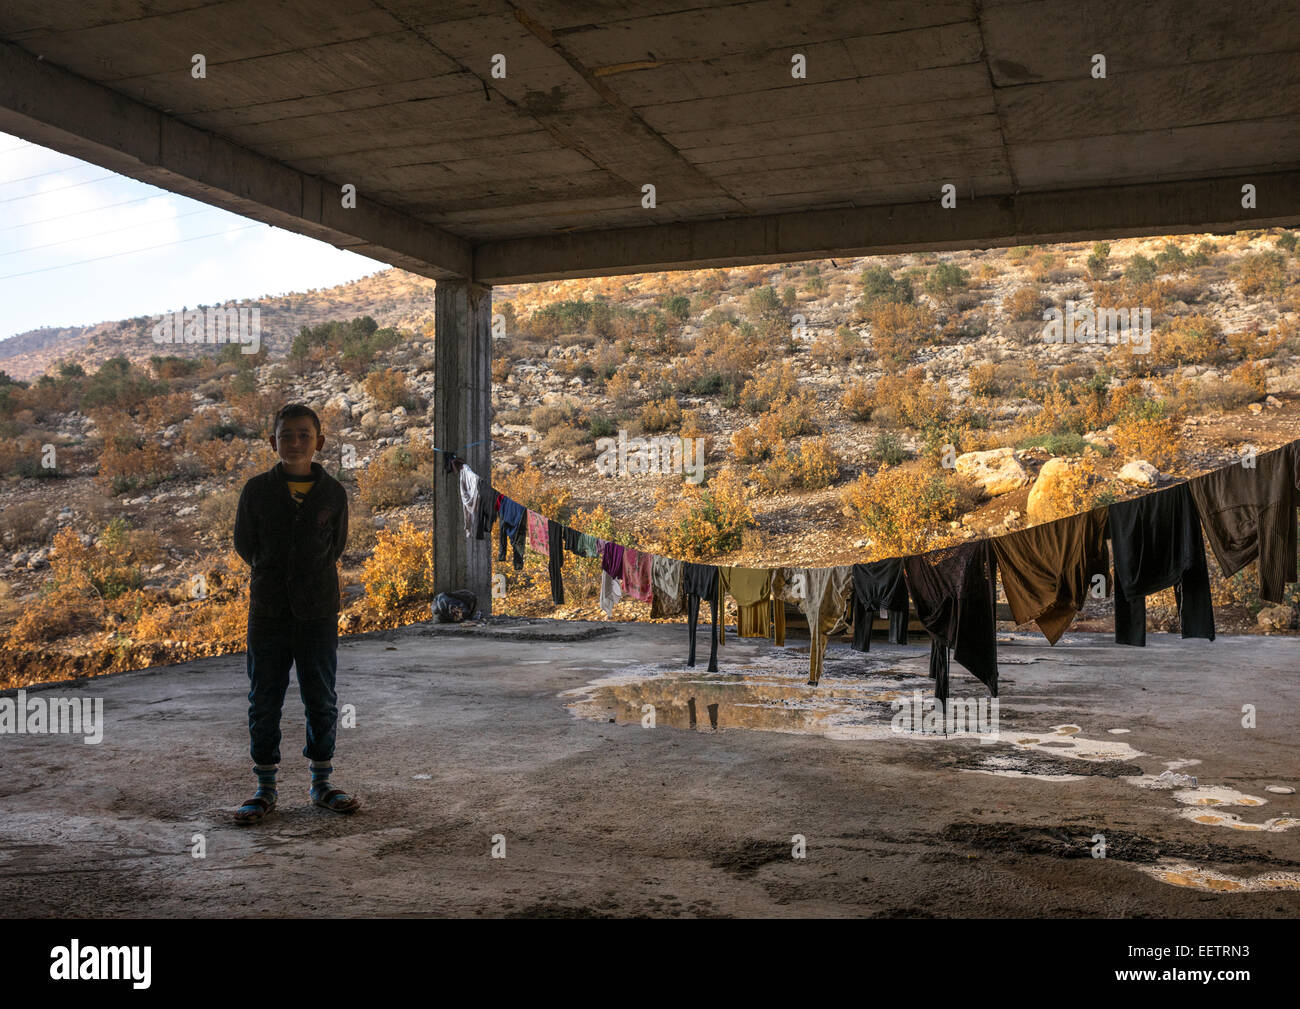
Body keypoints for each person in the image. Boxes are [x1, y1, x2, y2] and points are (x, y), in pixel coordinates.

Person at [231, 403, 358, 823]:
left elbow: (334, 547)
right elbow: (246, 545)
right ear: (273, 442)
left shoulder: (332, 493)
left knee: (321, 697)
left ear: (319, 442)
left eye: (304, 434)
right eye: (286, 435)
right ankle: (264, 789)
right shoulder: (256, 491)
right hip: (268, 611)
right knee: (263, 698)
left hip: (317, 611)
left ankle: (321, 783)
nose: (296, 442)